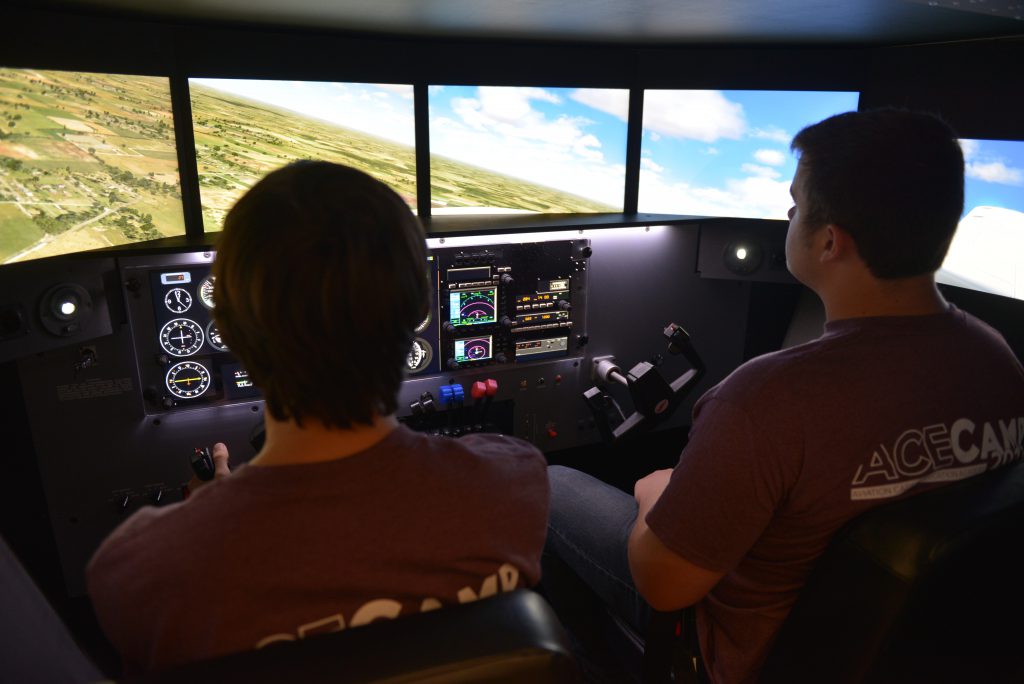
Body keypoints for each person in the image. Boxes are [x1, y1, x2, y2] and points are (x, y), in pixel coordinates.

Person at [543, 109, 1024, 683]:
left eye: (796, 202)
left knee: (548, 481)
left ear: (828, 241)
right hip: (905, 655)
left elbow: (663, 584)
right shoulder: (997, 361)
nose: (789, 214)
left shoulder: (766, 401)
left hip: (735, 656)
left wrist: (656, 493)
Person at [87, 161, 549, 674]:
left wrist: (213, 510)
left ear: (231, 333)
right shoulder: (514, 482)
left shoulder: (143, 568)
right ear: (417, 312)